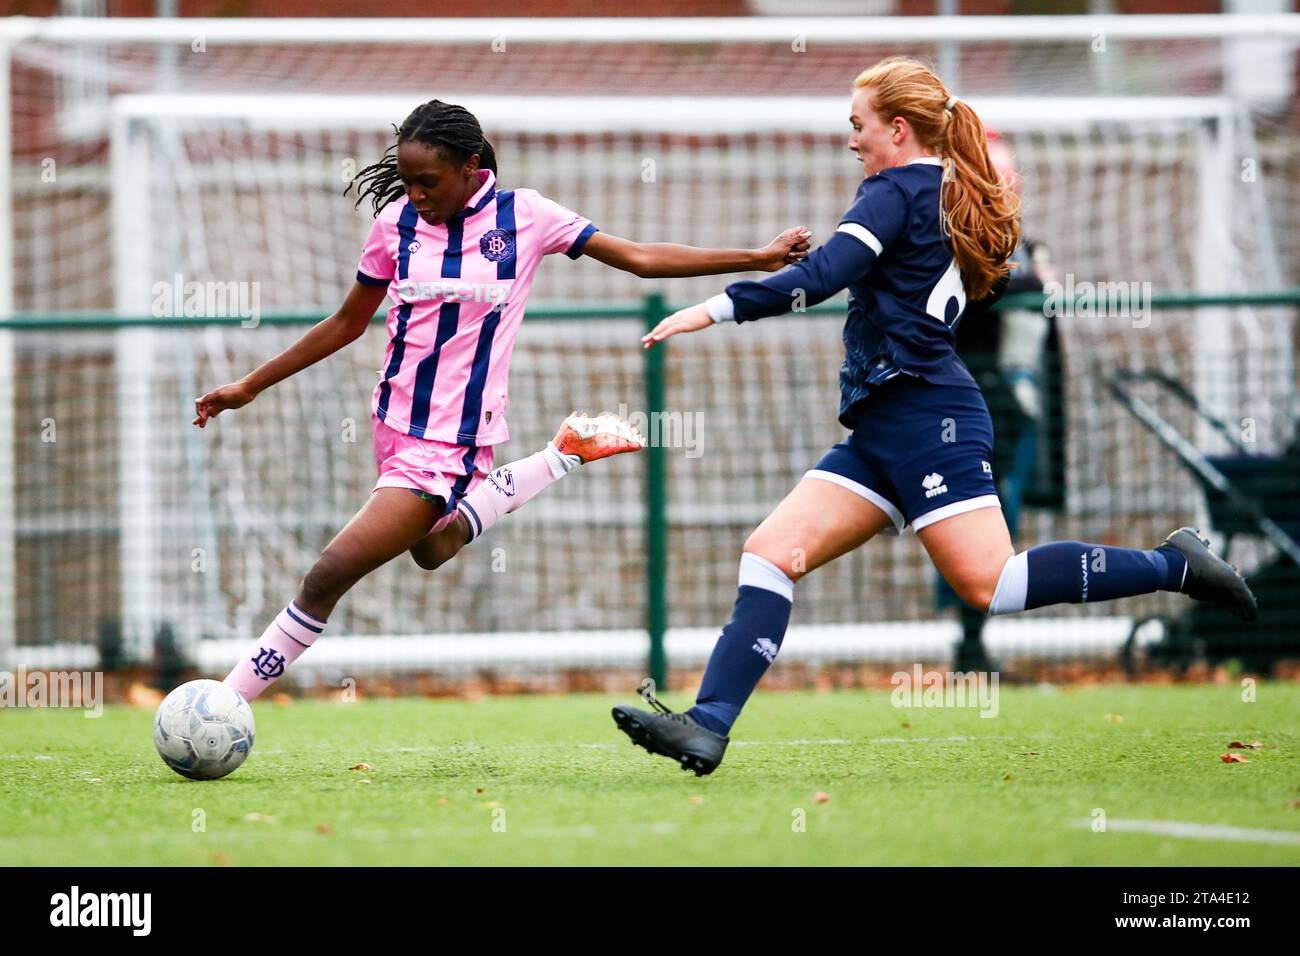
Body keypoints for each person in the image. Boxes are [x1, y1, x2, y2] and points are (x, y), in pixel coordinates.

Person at [611, 58, 1258, 776]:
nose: (851, 139)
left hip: (927, 418)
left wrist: (710, 308)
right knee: (770, 553)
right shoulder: (944, 195)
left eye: (857, 125)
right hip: (887, 426)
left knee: (995, 586)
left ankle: (1175, 565)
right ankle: (708, 725)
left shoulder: (895, 191)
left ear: (896, 127)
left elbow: (821, 277)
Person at [192, 99, 812, 702]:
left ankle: (225, 704)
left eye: (428, 181)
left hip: (453, 443)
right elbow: (347, 322)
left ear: (471, 167)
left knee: (328, 574)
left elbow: (641, 260)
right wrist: (251, 383)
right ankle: (563, 454)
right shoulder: (394, 228)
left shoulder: (527, 217)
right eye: (406, 181)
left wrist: (757, 258)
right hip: (392, 427)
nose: (415, 195)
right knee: (433, 550)